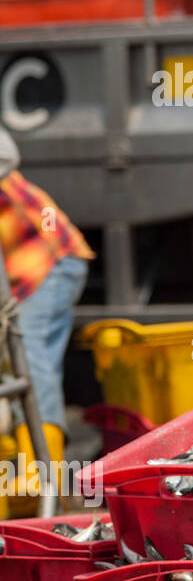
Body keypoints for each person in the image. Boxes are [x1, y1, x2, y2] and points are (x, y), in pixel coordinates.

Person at [0, 127, 93, 448]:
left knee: (29, 353)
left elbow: (5, 152)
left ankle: (40, 470)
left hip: (47, 260)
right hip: (21, 269)